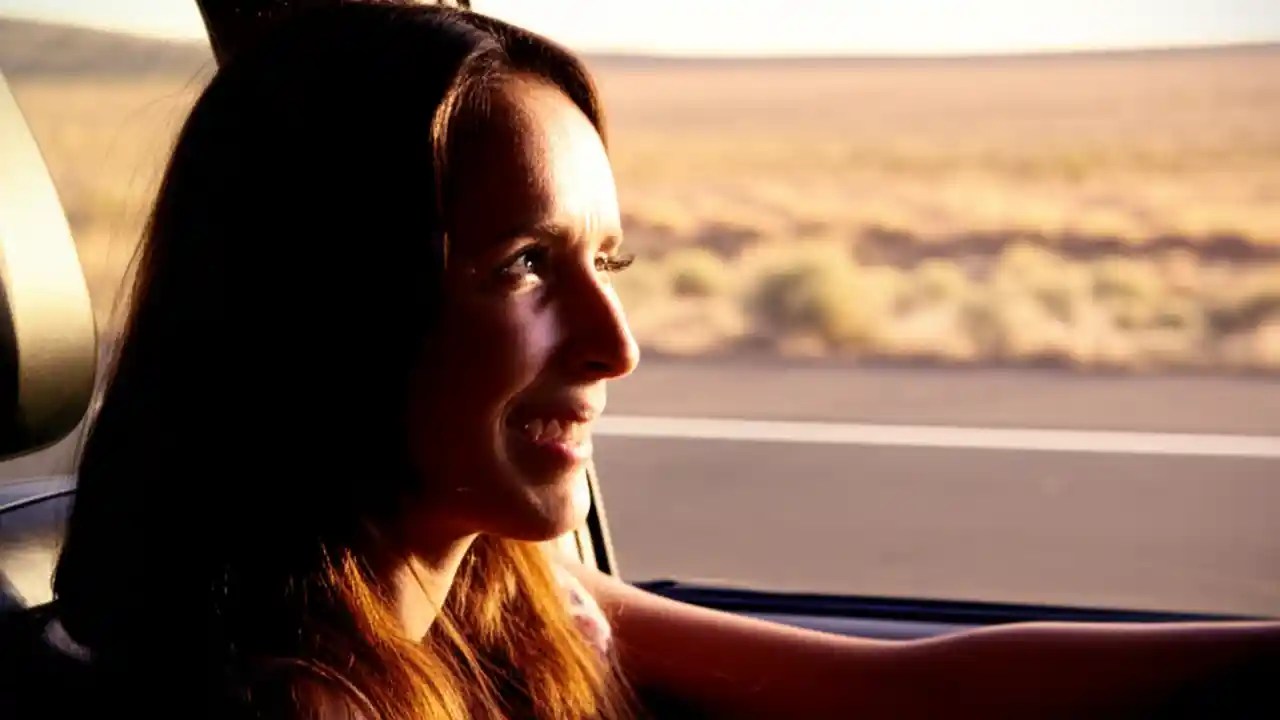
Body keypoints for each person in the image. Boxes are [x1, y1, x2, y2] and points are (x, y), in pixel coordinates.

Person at [44, 2, 1278, 718]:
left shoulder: (494, 600)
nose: (615, 345)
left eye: (607, 262)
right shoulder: (297, 698)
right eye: (524, 266)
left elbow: (898, 697)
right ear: (332, 302)